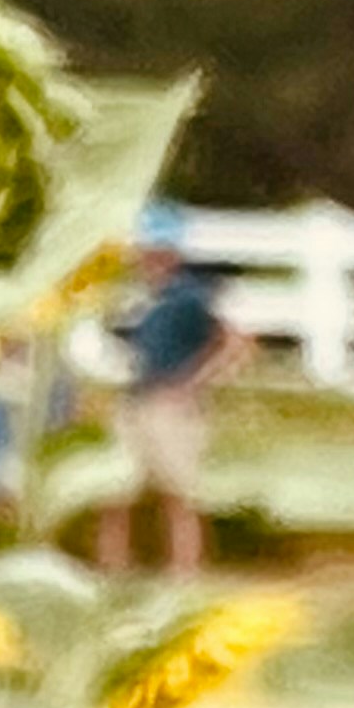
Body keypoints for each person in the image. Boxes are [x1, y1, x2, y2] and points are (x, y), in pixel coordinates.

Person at [100, 202, 241, 575]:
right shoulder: (140, 296)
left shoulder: (190, 294)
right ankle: (114, 569)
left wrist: (192, 382)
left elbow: (235, 341)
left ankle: (184, 572)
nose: (148, 257)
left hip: (171, 404)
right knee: (113, 488)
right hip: (136, 397)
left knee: (178, 494)